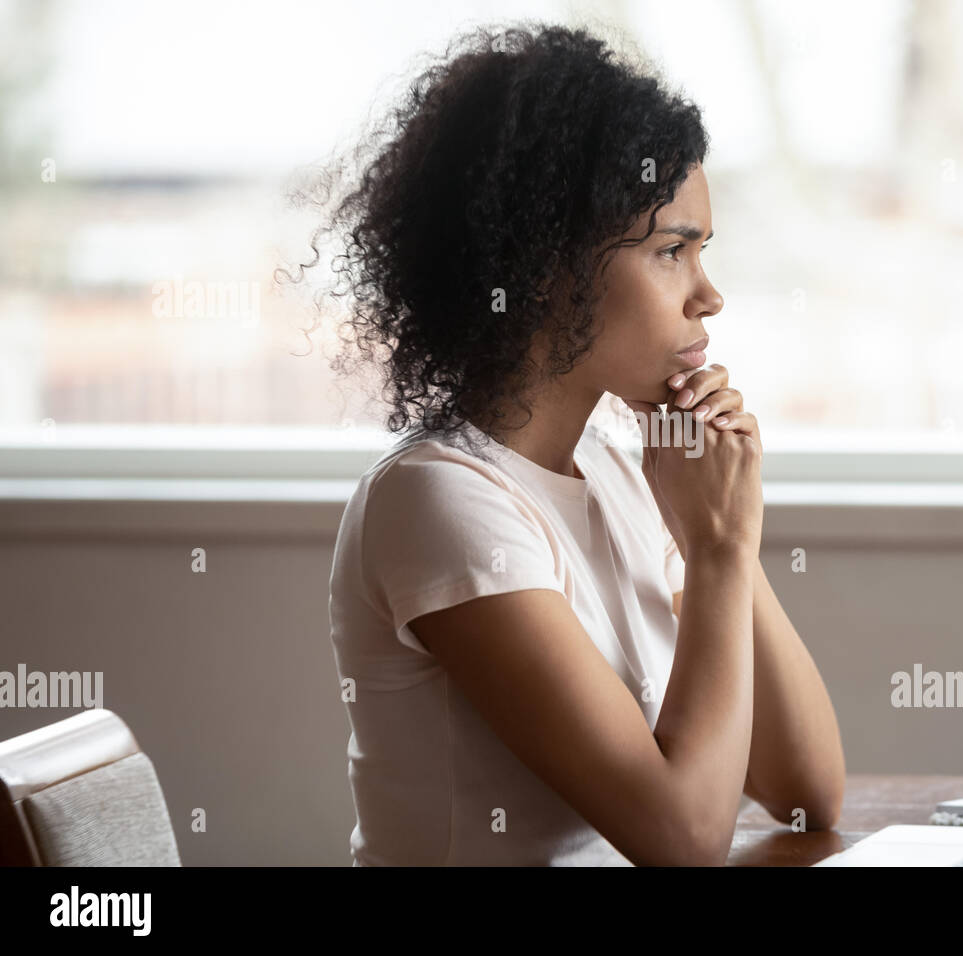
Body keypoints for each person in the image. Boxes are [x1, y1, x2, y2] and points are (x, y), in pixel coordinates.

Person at [305, 22, 844, 866]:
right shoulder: (440, 499)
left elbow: (807, 794)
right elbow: (683, 838)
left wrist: (725, 536)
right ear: (545, 268)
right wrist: (719, 550)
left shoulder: (622, 464)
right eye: (673, 251)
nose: (710, 296)